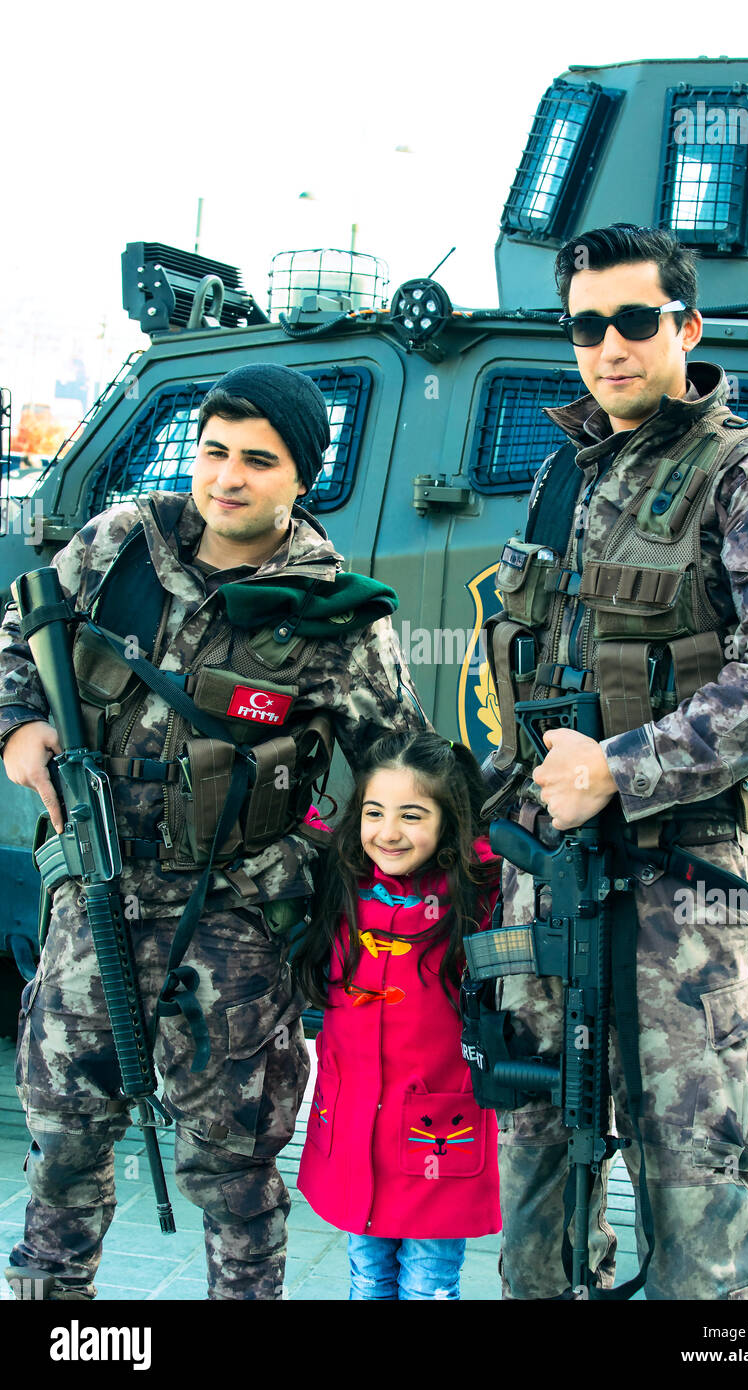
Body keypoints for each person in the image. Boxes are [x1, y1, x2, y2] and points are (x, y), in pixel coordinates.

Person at [0, 362, 427, 1301]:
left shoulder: (335, 613)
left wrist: (393, 895)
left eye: (258, 461)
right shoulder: (122, 543)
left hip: (235, 918)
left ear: (301, 477)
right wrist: (18, 724)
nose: (227, 477)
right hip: (97, 890)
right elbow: (18, 635)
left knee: (234, 1168)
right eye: (214, 452)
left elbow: (401, 765)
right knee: (63, 1136)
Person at [482, 224, 748, 1300]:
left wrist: (621, 768)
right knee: (538, 1218)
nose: (609, 346)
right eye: (586, 326)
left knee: (699, 1231)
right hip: (545, 899)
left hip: (678, 902)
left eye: (635, 321)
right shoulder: (561, 478)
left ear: (686, 326)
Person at [294, 731, 501, 1300]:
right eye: (374, 812)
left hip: (437, 1131)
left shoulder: (479, 895)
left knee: (430, 1284)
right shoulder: (339, 883)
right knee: (367, 1276)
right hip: (355, 1123)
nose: (388, 832)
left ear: (448, 821)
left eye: (412, 815)